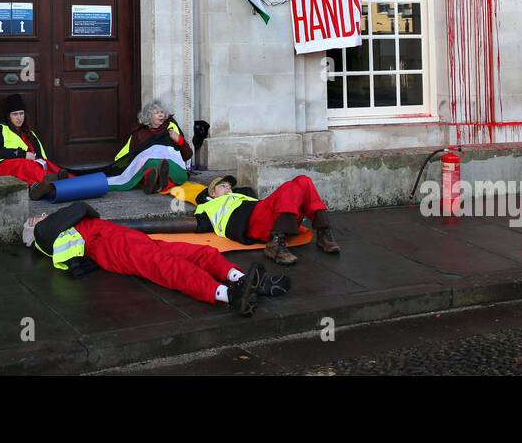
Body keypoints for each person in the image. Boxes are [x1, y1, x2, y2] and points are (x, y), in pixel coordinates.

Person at [23, 201, 291, 315]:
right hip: (114, 247)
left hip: (126, 238)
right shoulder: (47, 232)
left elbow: (83, 210)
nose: (39, 216)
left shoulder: (59, 224)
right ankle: (228, 295)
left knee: (199, 252)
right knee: (171, 268)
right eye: (34, 220)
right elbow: (82, 209)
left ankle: (244, 279)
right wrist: (37, 227)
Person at [193, 174, 341, 265]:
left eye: (230, 187)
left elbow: (248, 193)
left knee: (303, 180)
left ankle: (323, 231)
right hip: (250, 222)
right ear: (212, 193)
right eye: (223, 186)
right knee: (290, 187)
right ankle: (275, 245)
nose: (228, 189)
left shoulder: (240, 195)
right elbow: (198, 222)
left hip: (273, 218)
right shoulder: (208, 205)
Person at [0, 93, 70, 199]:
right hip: (1, 165)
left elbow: (40, 155)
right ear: (8, 116)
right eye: (15, 114)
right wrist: (22, 154)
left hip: (27, 164)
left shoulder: (28, 132)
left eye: (21, 113)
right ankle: (51, 183)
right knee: (24, 164)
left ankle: (63, 183)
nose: (19, 118)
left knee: (46, 164)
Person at [106, 100, 190, 193]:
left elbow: (188, 155)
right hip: (145, 165)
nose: (161, 115)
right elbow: (127, 155)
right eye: (157, 113)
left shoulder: (171, 129)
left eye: (162, 112)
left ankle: (155, 183)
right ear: (148, 116)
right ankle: (155, 180)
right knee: (151, 163)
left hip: (170, 164)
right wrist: (115, 168)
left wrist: (179, 140)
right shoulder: (139, 133)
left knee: (165, 164)